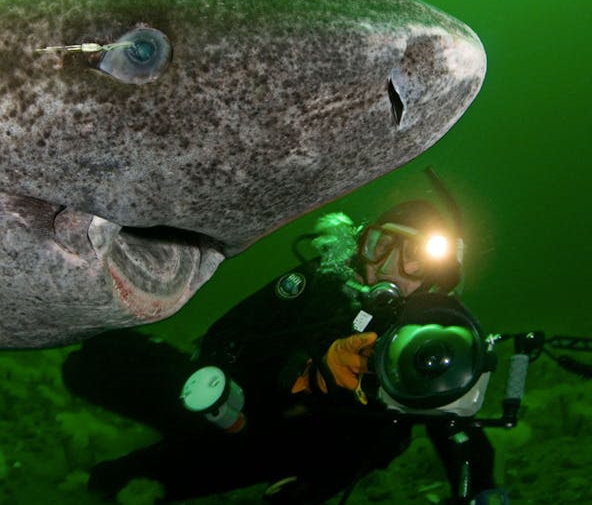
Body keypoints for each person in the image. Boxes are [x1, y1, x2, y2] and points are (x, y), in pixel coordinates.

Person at [62, 200, 499, 504]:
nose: (388, 267)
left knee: (132, 483)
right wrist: (308, 368)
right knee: (93, 361)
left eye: (415, 259)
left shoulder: (436, 333)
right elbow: (228, 335)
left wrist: (480, 488)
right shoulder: (321, 282)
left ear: (439, 273)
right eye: (381, 246)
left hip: (289, 449)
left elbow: (458, 421)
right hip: (237, 405)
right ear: (361, 242)